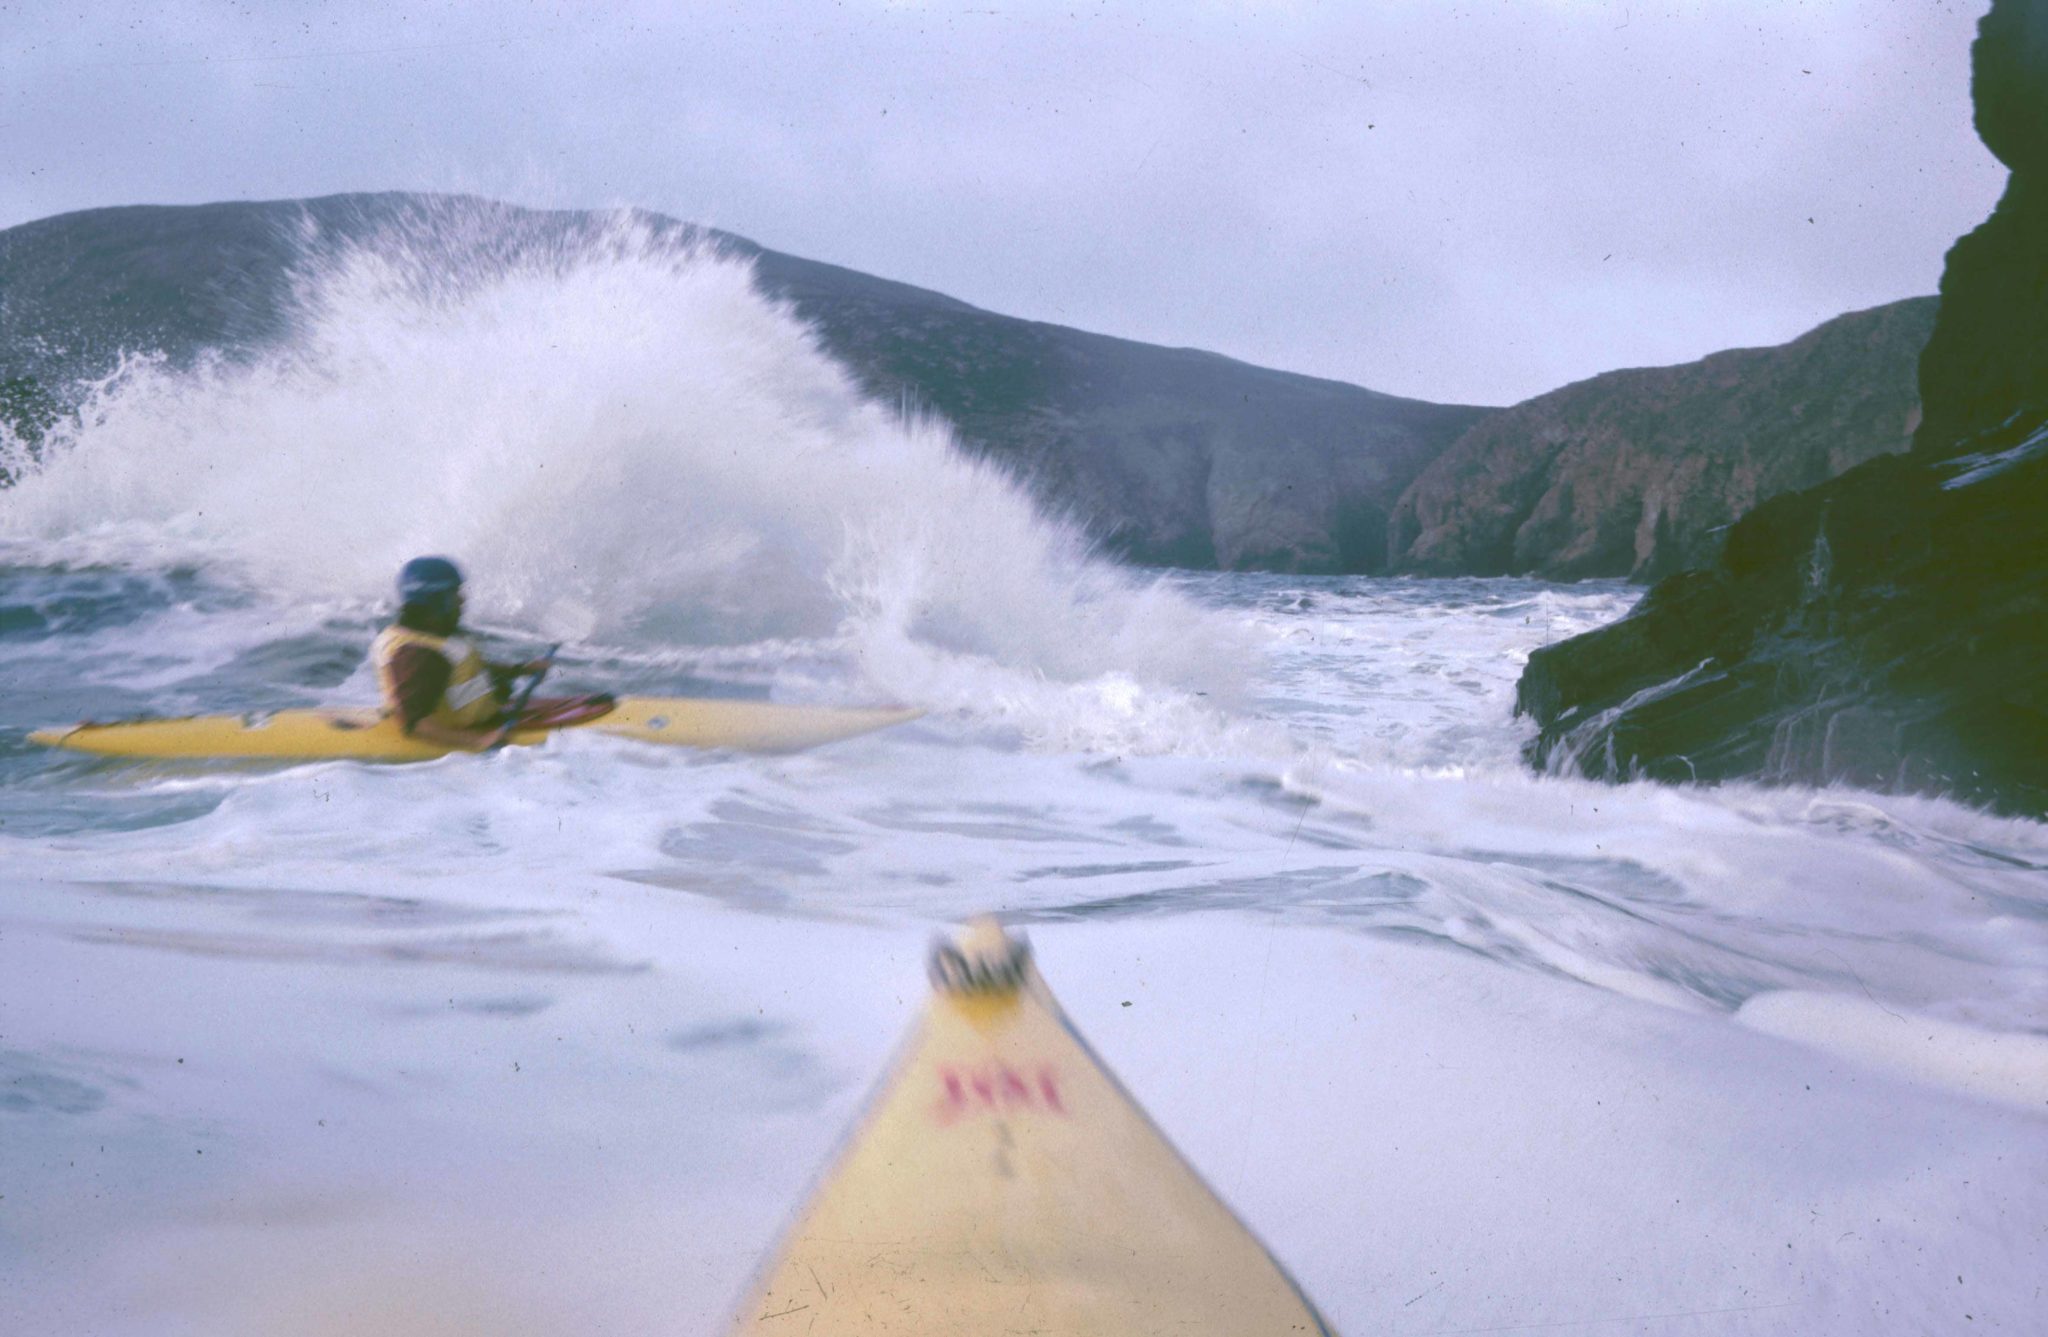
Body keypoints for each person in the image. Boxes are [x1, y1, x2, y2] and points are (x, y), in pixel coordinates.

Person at [371, 556, 609, 750]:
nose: (462, 600)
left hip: (484, 718)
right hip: (461, 731)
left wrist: (520, 670)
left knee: (598, 702)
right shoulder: (416, 654)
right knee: (597, 707)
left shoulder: (431, 634)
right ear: (436, 600)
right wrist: (479, 741)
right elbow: (414, 724)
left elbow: (458, 670)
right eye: (455, 594)